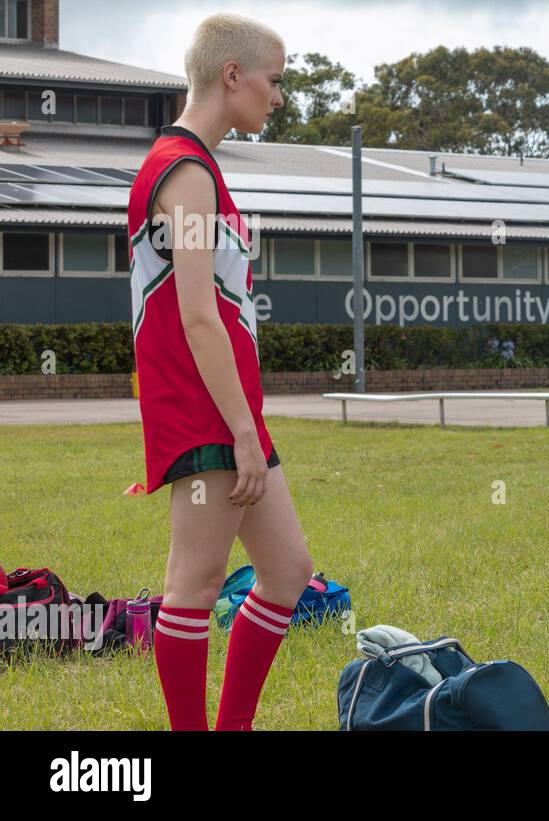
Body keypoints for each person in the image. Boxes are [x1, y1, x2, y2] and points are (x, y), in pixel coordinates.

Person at [126, 13, 311, 731]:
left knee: (288, 569)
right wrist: (240, 428)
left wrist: (248, 424)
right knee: (195, 584)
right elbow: (199, 316)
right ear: (232, 76)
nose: (278, 95)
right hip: (206, 410)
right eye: (274, 80)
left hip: (230, 410)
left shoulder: (194, 167)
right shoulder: (186, 172)